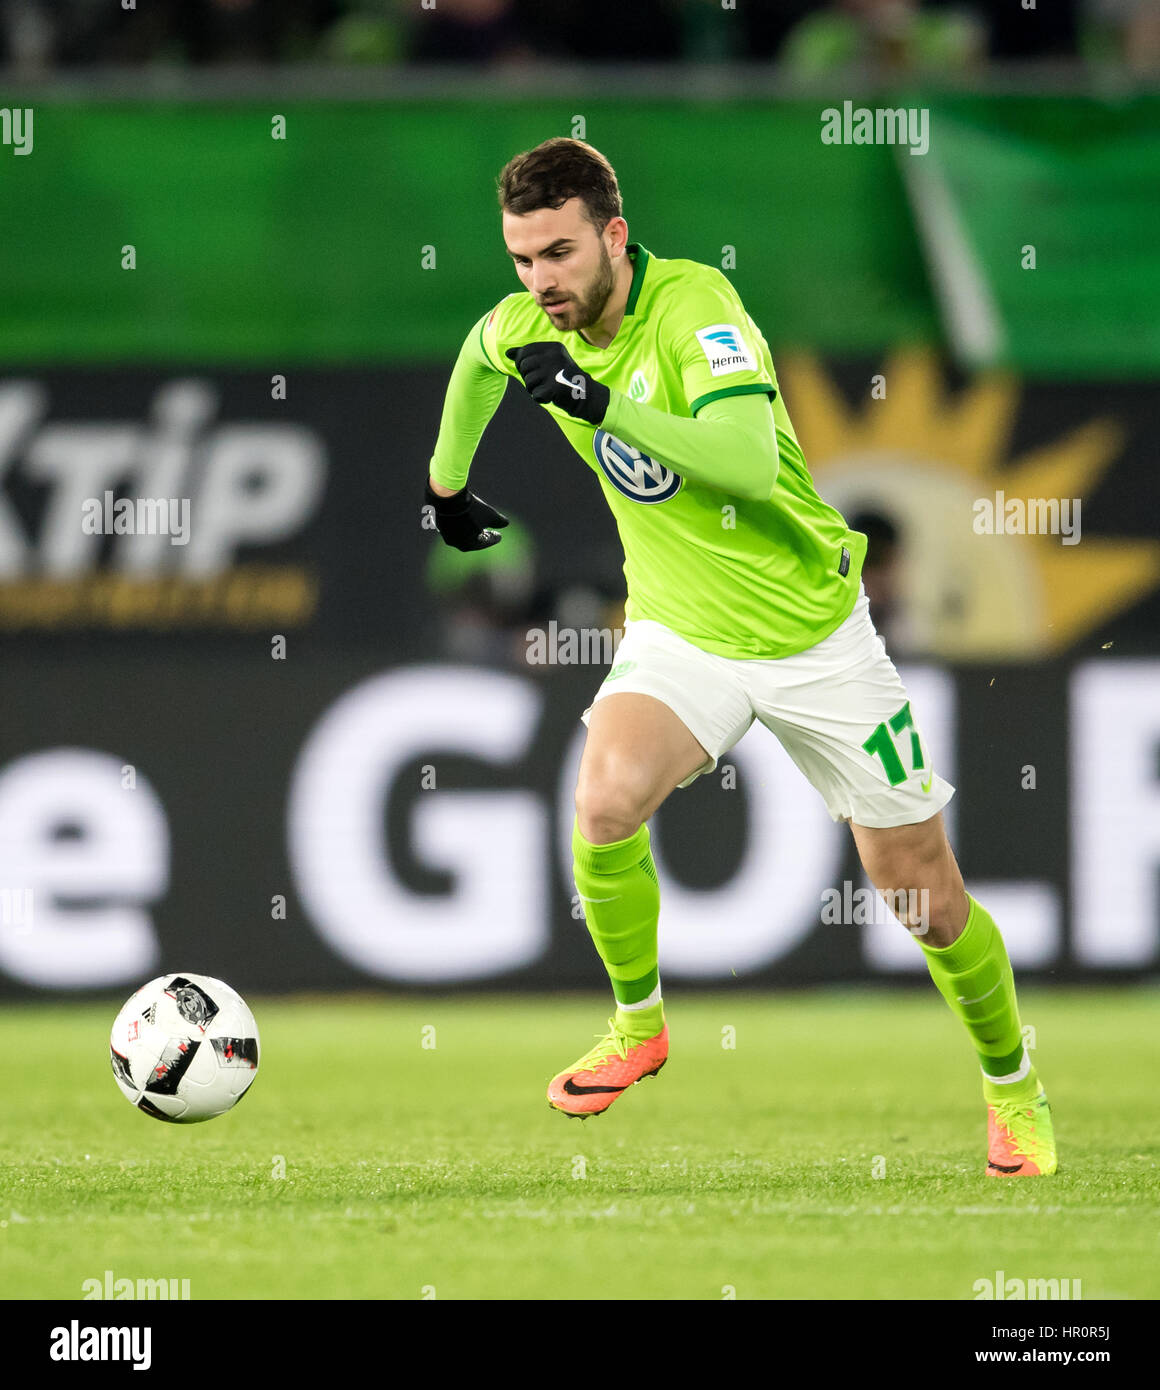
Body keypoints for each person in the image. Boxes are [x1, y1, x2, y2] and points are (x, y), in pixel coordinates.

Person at [423, 137, 1055, 1177]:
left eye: (559, 254)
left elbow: (750, 466)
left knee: (922, 901)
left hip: (814, 637)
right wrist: (446, 488)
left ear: (612, 236)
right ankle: (640, 1025)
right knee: (603, 802)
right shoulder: (527, 321)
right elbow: (477, 360)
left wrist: (602, 404)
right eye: (522, 259)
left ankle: (1010, 1083)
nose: (540, 282)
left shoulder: (696, 308)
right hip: (680, 632)